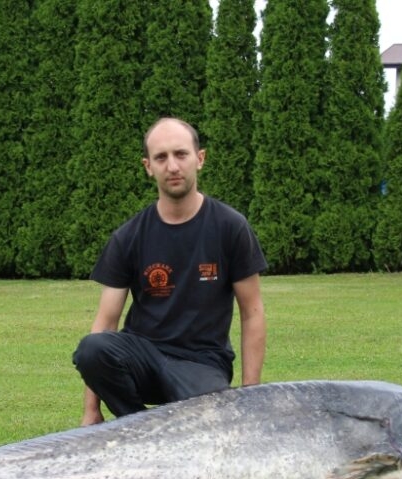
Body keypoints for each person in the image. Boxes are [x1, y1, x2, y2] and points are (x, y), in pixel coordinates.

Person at [72, 117, 268, 426]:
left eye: (181, 154)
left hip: (201, 364)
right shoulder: (129, 236)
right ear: (148, 166)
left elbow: (252, 313)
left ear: (199, 159)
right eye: (161, 157)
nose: (172, 166)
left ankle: (146, 433)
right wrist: (90, 411)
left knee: (210, 421)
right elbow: (106, 321)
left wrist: (250, 398)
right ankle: (138, 426)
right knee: (92, 349)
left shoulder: (231, 227)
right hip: (144, 357)